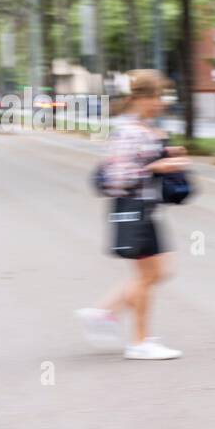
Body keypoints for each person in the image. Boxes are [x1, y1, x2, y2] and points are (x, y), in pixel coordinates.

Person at [76, 70, 187, 360]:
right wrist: (156, 168)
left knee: (158, 272)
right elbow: (116, 178)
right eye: (157, 96)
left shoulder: (140, 127)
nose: (161, 103)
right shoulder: (129, 130)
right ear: (140, 98)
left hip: (145, 209)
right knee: (147, 276)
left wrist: (166, 154)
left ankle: (102, 314)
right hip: (135, 211)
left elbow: (136, 162)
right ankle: (139, 342)